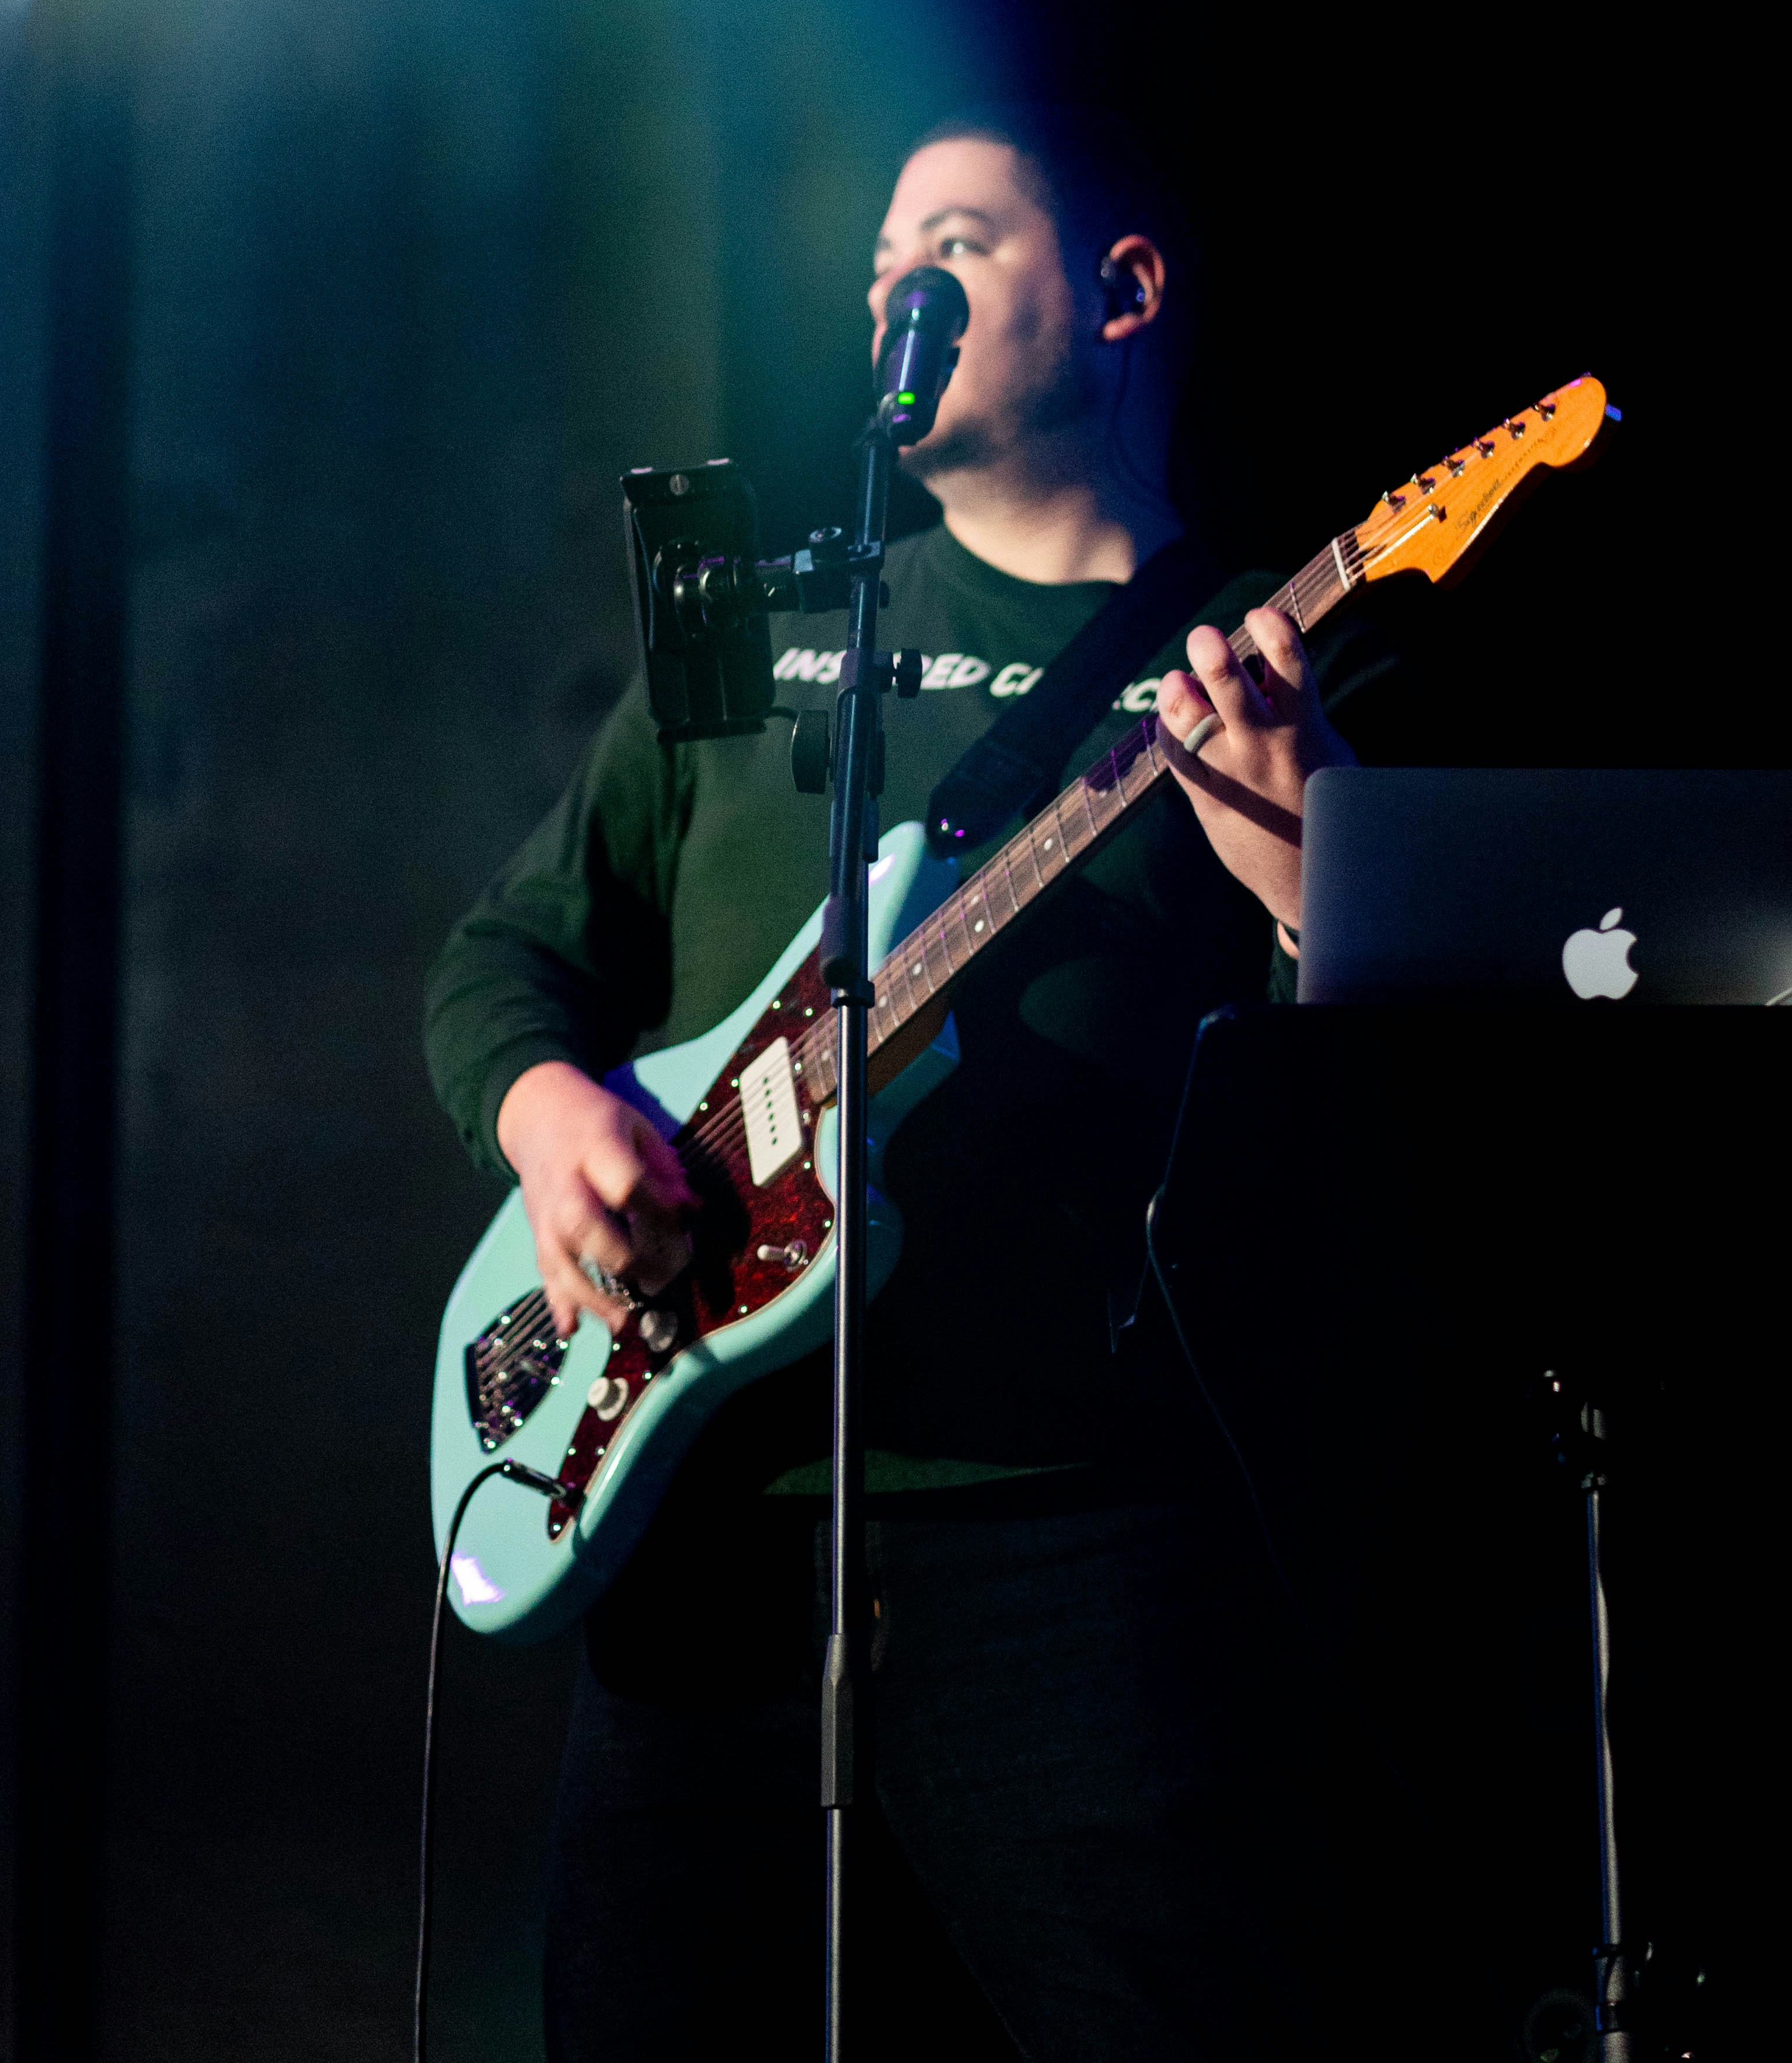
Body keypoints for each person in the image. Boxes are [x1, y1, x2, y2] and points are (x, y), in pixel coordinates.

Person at [423, 107, 1395, 2063]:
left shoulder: (1260, 680)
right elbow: (505, 955)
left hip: (1066, 1536)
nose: (897, 285)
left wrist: (1307, 877)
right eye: (881, 258)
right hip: (700, 1539)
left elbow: (1382, 1158)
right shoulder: (767, 634)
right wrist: (552, 1113)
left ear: (1119, 293)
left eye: (955, 238)